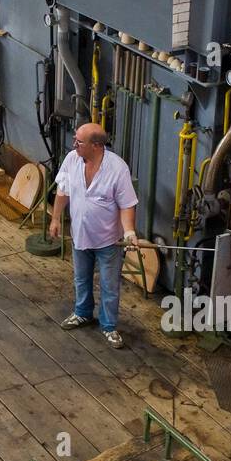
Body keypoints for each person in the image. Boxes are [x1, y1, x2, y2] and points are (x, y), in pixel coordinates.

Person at [50, 122, 139, 349]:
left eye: (79, 142)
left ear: (96, 146)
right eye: (75, 139)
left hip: (108, 240)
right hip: (80, 234)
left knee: (109, 286)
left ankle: (109, 326)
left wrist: (129, 231)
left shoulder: (117, 169)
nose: (74, 144)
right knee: (81, 278)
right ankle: (82, 313)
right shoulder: (72, 159)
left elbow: (127, 204)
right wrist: (55, 218)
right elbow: (63, 191)